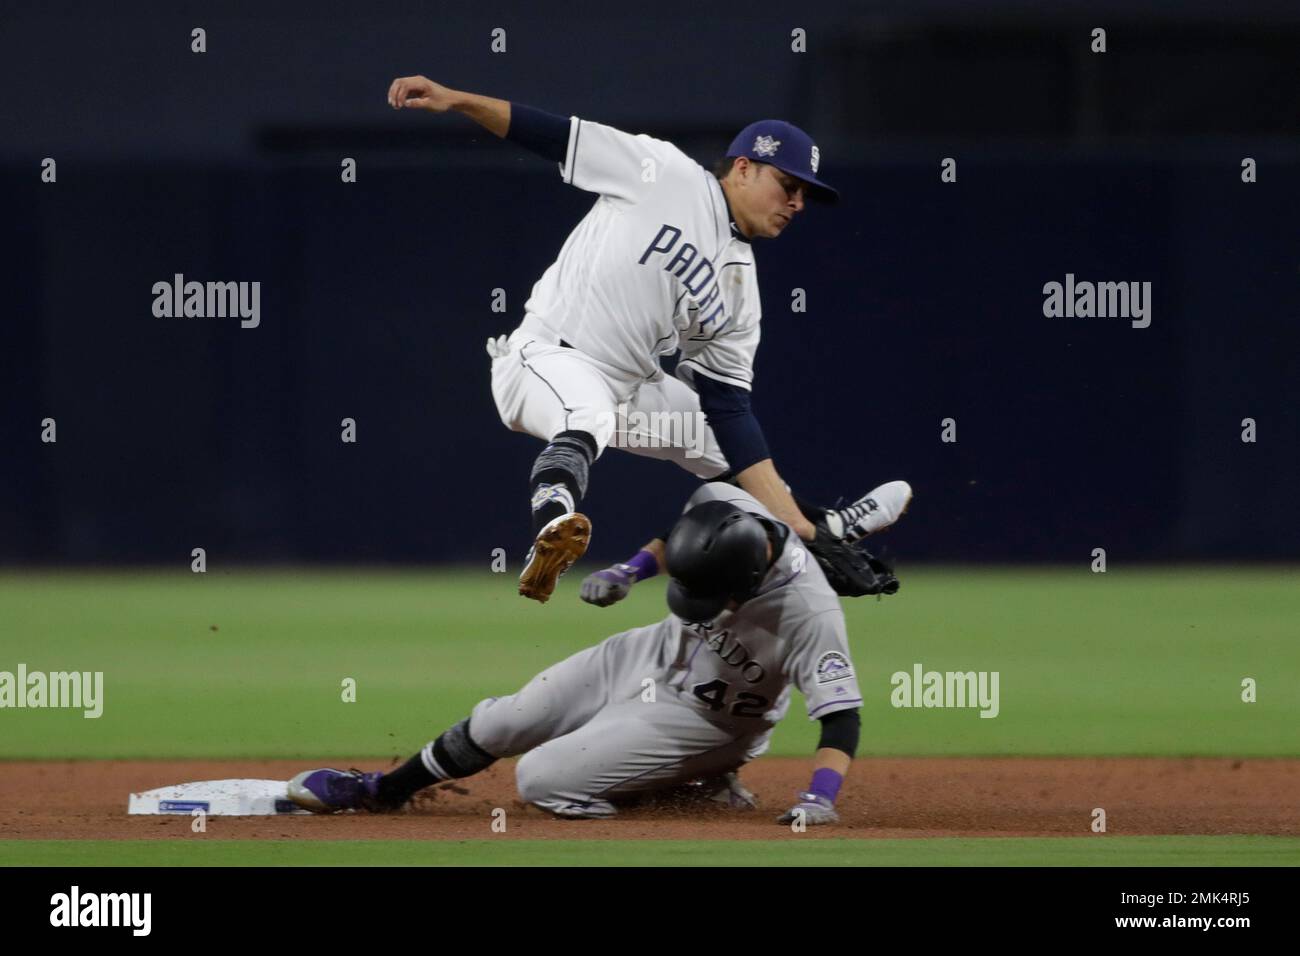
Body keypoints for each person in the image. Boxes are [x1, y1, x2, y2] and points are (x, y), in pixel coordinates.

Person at [385, 75, 912, 602]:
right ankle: (552, 525)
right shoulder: (665, 173)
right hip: (543, 357)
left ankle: (823, 530)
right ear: (745, 168)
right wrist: (458, 100)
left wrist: (802, 527)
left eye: (805, 195)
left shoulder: (741, 290)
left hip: (631, 391)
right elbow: (555, 135)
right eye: (788, 185)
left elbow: (730, 409)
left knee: (720, 448)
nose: (797, 203)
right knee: (584, 413)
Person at [287, 482, 866, 824]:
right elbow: (681, 536)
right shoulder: (727, 504)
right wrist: (630, 570)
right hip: (645, 655)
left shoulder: (810, 614)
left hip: (706, 720)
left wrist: (821, 797)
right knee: (505, 718)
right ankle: (383, 793)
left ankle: (691, 787)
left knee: (543, 781)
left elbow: (842, 719)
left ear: (745, 581)